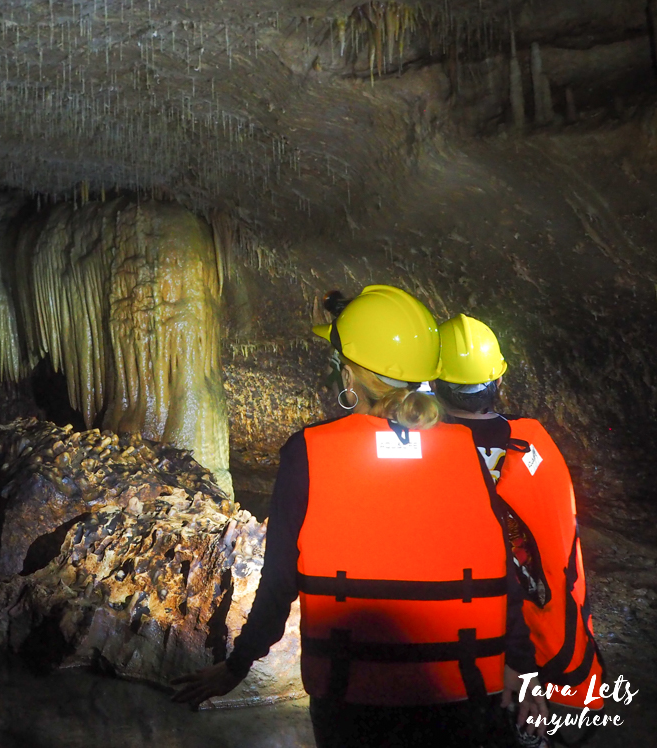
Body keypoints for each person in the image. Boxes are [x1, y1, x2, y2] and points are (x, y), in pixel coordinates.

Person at [172, 285, 542, 747]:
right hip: (465, 693)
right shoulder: (465, 451)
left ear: (348, 374)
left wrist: (237, 665)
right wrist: (523, 668)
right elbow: (500, 569)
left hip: (355, 699)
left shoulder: (308, 453)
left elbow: (280, 582)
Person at [434, 314, 604, 741]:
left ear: (435, 384)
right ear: (498, 381)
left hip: (463, 636)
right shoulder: (532, 440)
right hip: (544, 628)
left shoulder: (427, 450)